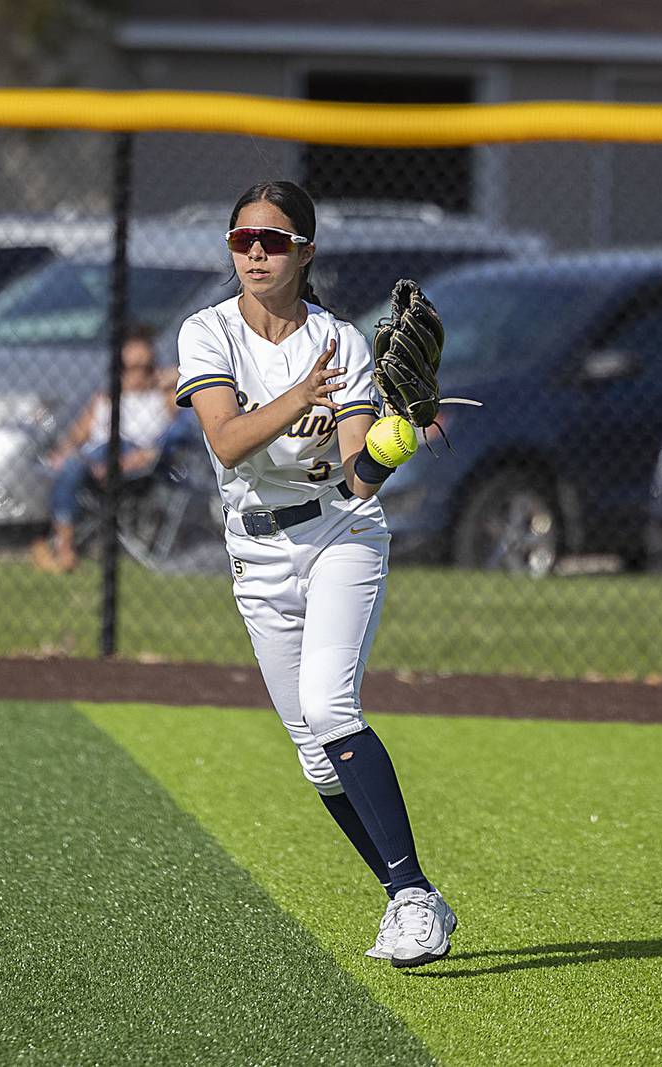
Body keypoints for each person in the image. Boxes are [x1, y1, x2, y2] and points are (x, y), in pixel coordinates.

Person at [175, 180, 456, 968]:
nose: (256, 252)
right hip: (256, 552)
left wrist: (393, 440)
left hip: (341, 535)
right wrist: (298, 397)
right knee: (310, 749)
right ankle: (418, 899)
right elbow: (226, 442)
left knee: (331, 706)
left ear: (306, 252)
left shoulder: (342, 340)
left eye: (272, 240)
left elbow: (357, 477)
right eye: (242, 240)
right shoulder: (207, 332)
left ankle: (407, 895)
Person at [29, 326, 178, 573]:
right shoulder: (105, 399)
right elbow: (75, 437)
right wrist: (63, 453)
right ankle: (64, 548)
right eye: (131, 368)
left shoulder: (164, 399)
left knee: (80, 463)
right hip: (94, 455)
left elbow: (194, 378)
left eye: (146, 367)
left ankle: (57, 547)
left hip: (133, 459)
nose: (138, 375)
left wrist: (163, 377)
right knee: (71, 464)